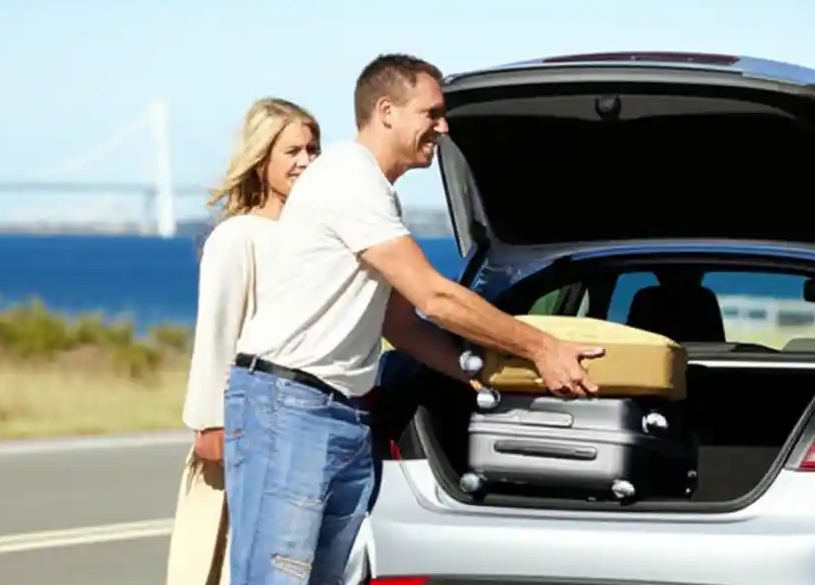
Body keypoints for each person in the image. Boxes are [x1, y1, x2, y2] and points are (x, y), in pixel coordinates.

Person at [222, 54, 607, 585]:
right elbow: (435, 296)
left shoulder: (374, 192)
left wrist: (484, 375)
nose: (443, 128)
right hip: (291, 408)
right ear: (387, 111)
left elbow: (400, 325)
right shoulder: (349, 178)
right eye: (432, 113)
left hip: (340, 412)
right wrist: (541, 347)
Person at [164, 97, 322, 585]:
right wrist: (210, 423)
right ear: (261, 161)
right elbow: (217, 334)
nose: (306, 161)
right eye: (292, 151)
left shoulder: (318, 235)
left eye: (313, 149)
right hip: (244, 423)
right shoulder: (237, 238)